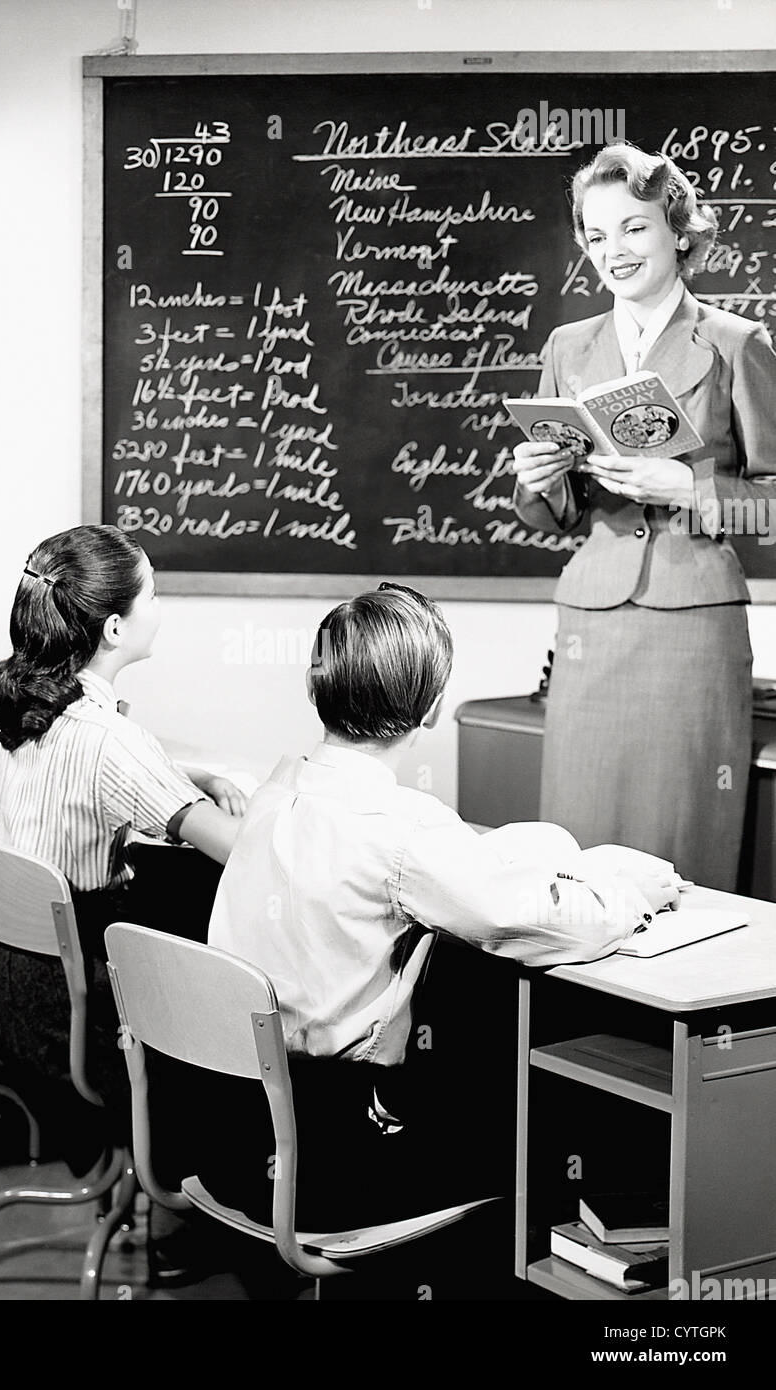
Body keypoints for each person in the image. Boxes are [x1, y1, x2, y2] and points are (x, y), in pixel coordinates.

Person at [203, 583, 678, 1244]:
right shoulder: (402, 829)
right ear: (428, 707)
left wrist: (510, 852)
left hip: (230, 1133)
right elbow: (531, 923)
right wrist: (632, 895)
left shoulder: (278, 789)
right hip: (335, 1153)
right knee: (563, 1113)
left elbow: (431, 873)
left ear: (319, 689)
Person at [512, 142, 776, 891]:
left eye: (632, 228)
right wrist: (535, 480)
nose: (613, 252)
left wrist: (689, 487)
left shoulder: (734, 343)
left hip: (690, 627)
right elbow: (551, 518)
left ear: (678, 232)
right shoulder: (569, 347)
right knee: (579, 852)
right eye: (596, 236)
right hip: (590, 624)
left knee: (679, 846)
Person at [0, 523, 245, 1171]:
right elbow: (242, 851)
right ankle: (209, 1182)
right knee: (240, 1014)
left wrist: (193, 775)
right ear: (116, 629)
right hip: (71, 1014)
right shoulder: (108, 739)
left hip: (4, 988)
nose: (161, 607)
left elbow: (106, 766)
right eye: (151, 594)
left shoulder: (32, 711)